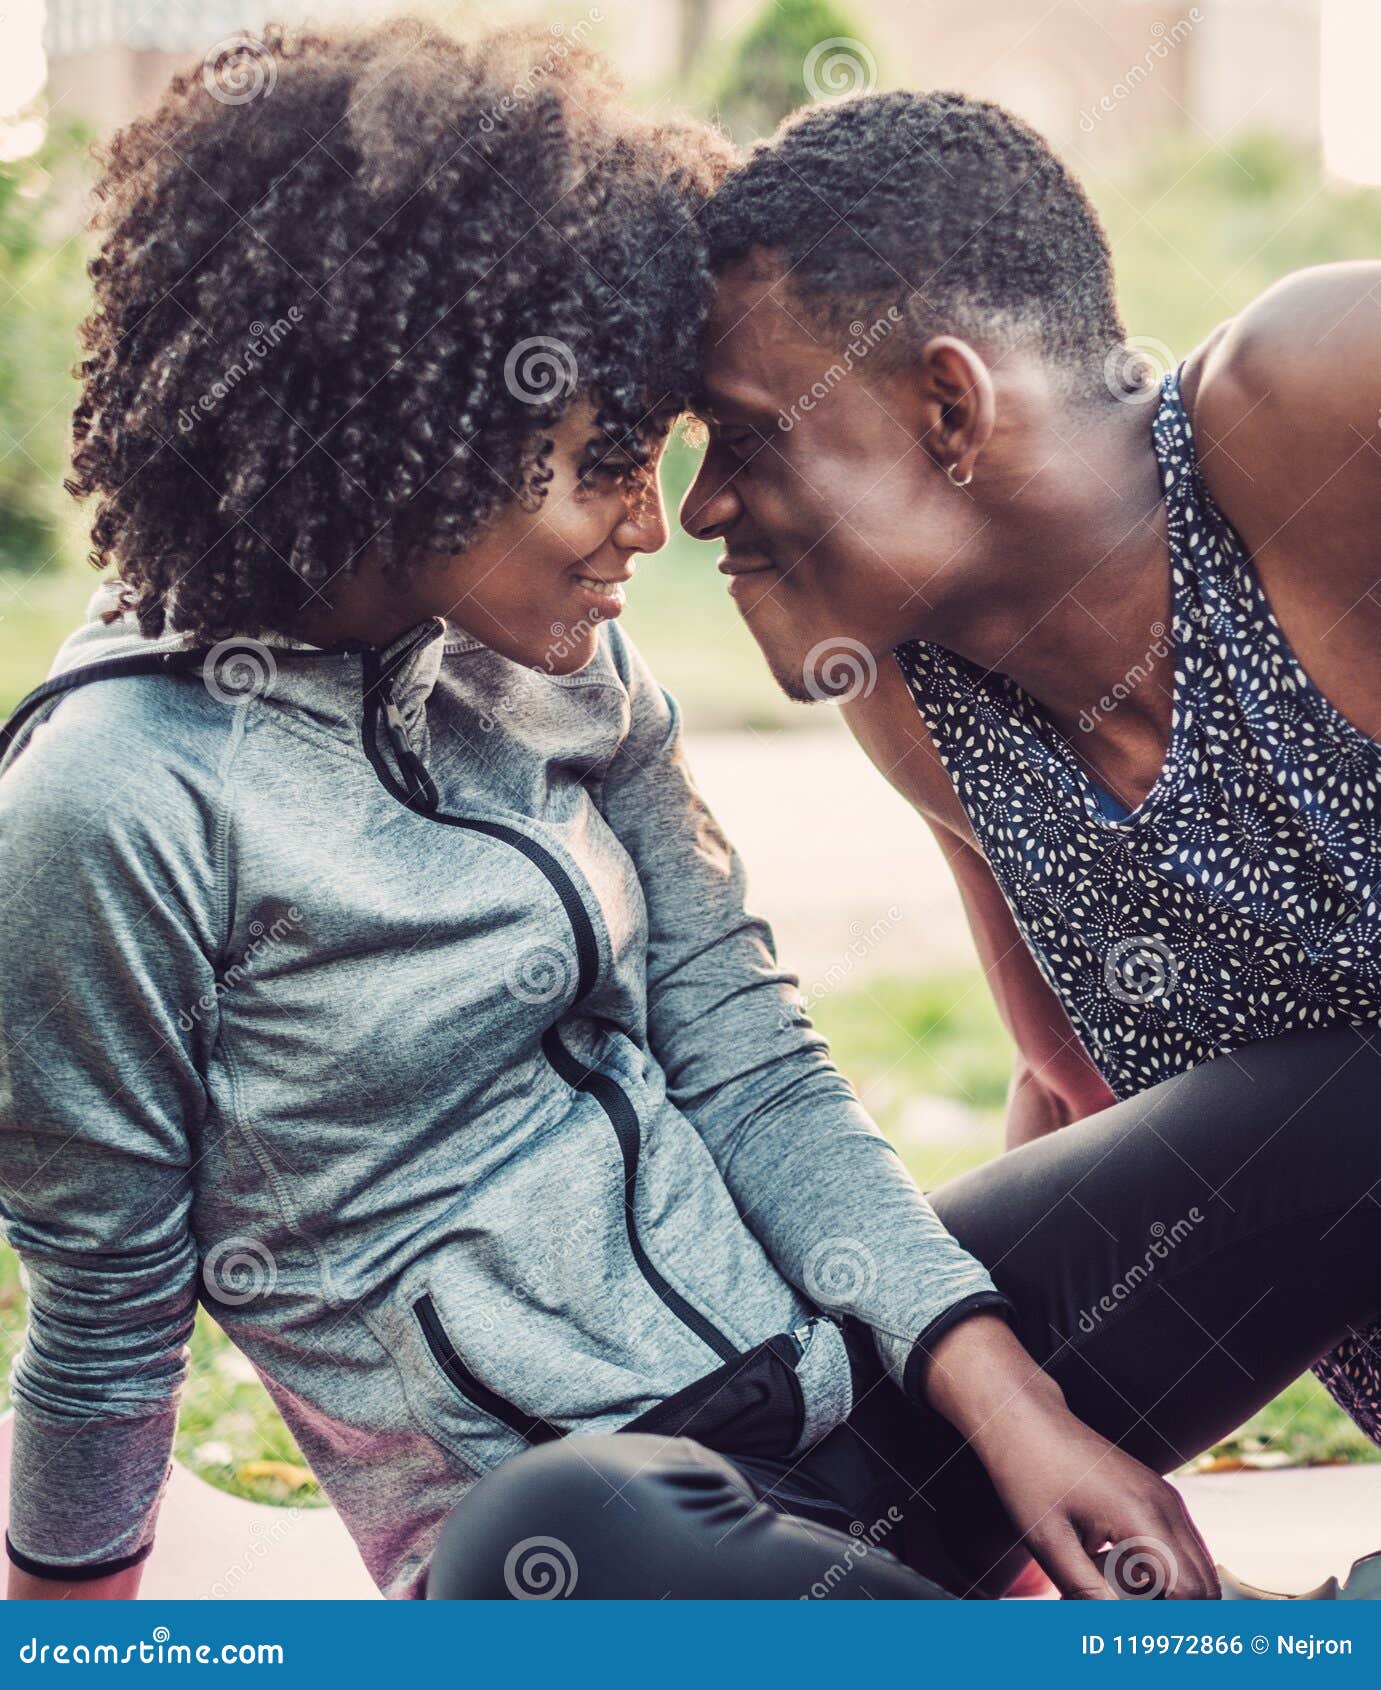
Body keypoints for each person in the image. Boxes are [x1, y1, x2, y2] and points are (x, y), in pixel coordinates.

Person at [0, 20, 1226, 1605]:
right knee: (560, 1515)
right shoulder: (111, 795)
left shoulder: (555, 664)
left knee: (1339, 1100)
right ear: (401, 447)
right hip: (579, 1555)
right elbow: (103, 1297)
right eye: (599, 468)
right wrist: (70, 1635)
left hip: (850, 1415)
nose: (655, 526)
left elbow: (744, 1052)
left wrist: (1005, 1406)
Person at [681, 90, 1381, 1468]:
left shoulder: (1309, 400)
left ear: (949, 404)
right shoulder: (904, 686)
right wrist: (1013, 1433)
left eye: (744, 433)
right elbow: (1078, 1100)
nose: (696, 504)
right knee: (713, 1480)